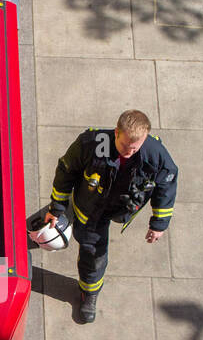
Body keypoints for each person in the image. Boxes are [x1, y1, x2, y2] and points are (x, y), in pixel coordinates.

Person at [43, 109, 178, 323]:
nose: (130, 152)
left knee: (93, 253)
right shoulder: (91, 143)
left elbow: (166, 184)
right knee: (93, 255)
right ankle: (89, 294)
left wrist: (159, 224)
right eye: (125, 145)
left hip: (120, 207)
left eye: (136, 147)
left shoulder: (155, 153)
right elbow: (66, 171)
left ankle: (89, 290)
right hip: (90, 208)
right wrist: (56, 207)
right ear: (116, 132)